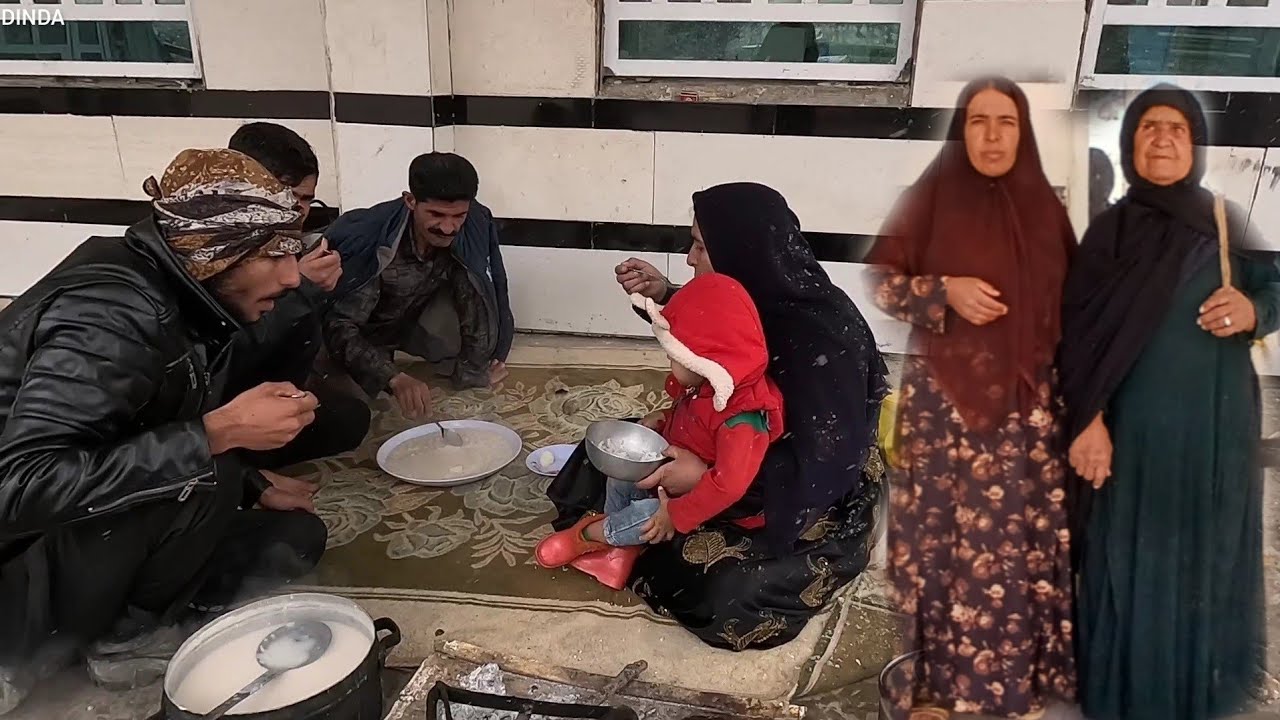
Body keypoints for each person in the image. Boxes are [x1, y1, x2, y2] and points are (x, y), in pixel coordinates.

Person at [0, 149, 329, 715]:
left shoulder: (181, 293)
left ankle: (124, 617)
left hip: (78, 536)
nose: (292, 274)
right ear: (213, 253)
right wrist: (218, 433)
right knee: (211, 461)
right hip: (21, 555)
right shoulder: (111, 315)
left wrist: (250, 481)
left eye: (293, 250)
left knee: (292, 540)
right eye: (273, 251)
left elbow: (144, 421)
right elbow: (18, 485)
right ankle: (111, 641)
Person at [548, 182, 890, 651]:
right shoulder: (759, 290)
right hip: (718, 434)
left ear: (742, 253)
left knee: (731, 593)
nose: (689, 258)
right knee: (607, 452)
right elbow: (721, 332)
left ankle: (622, 535)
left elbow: (828, 457)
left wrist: (708, 475)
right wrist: (666, 293)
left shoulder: (827, 337)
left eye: (701, 247)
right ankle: (624, 532)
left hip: (794, 481)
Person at [1061, 84, 1280, 720]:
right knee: (1126, 564)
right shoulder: (1108, 235)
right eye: (1149, 127)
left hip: (1217, 430)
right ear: (1131, 144)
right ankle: (1123, 693)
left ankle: (1202, 690)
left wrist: (1254, 309)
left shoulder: (1224, 219)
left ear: (1196, 145)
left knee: (1206, 560)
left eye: (1177, 129)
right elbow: (1074, 337)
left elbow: (1273, 288)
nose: (1163, 138)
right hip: (1133, 439)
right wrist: (1088, 421)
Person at [864, 77, 1077, 719]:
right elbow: (884, 283)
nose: (991, 135)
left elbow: (1077, 313)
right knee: (940, 555)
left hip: (1029, 411)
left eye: (1005, 122)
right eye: (978, 121)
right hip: (945, 411)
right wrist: (942, 292)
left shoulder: (1047, 210)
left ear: (1023, 132)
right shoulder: (926, 201)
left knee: (1019, 558)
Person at [534, 272, 785, 590]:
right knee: (621, 475)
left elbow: (729, 487)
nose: (669, 363)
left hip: (711, 499)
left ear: (705, 361)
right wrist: (664, 421)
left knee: (649, 515)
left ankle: (589, 535)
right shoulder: (709, 383)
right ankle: (619, 553)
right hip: (679, 468)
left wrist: (675, 515)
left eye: (673, 356)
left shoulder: (742, 420)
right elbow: (693, 416)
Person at [225, 122, 370, 504]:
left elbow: (292, 352)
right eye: (291, 199)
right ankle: (230, 469)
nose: (299, 214)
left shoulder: (294, 243)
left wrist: (309, 292)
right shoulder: (212, 251)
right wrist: (244, 480)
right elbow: (229, 357)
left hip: (254, 385)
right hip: (210, 410)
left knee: (348, 418)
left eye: (306, 201)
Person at [322, 152, 514, 418]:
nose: (448, 228)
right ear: (410, 201)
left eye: (458, 215)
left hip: (411, 318)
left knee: (476, 356)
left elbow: (484, 289)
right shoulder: (370, 238)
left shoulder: (475, 221)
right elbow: (339, 325)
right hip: (361, 329)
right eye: (436, 214)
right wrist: (392, 377)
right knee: (349, 411)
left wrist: (475, 372)